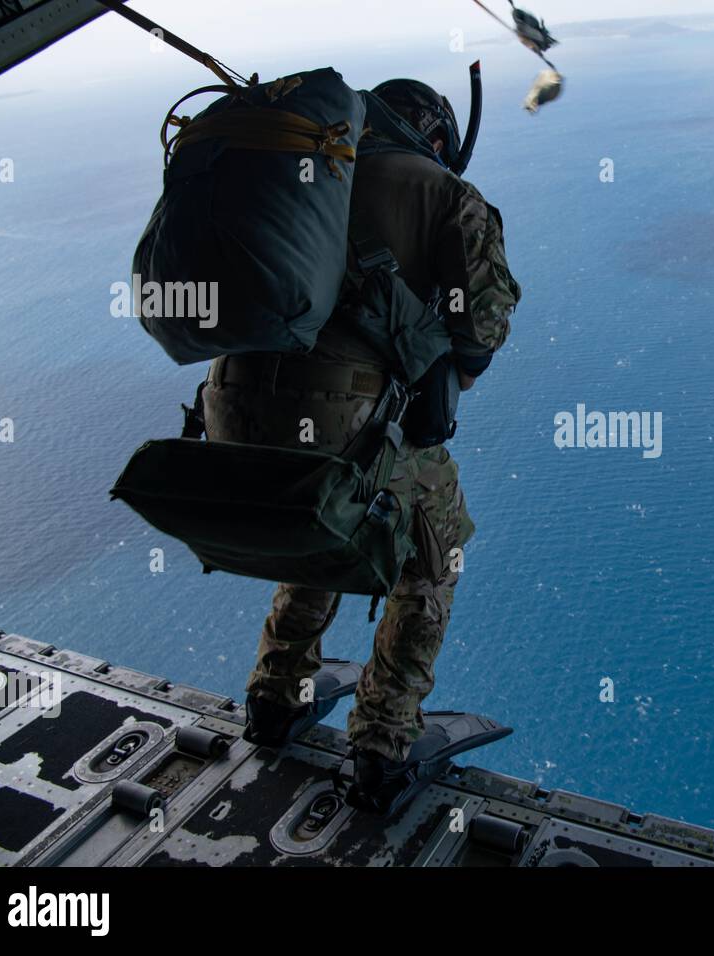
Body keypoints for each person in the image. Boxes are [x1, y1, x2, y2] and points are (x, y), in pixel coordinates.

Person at [201, 77, 521, 812]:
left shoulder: (296, 174)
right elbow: (483, 332)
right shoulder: (444, 192)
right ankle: (383, 740)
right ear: (437, 138)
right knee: (433, 548)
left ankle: (275, 697)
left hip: (231, 414)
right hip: (345, 426)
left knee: (324, 508)